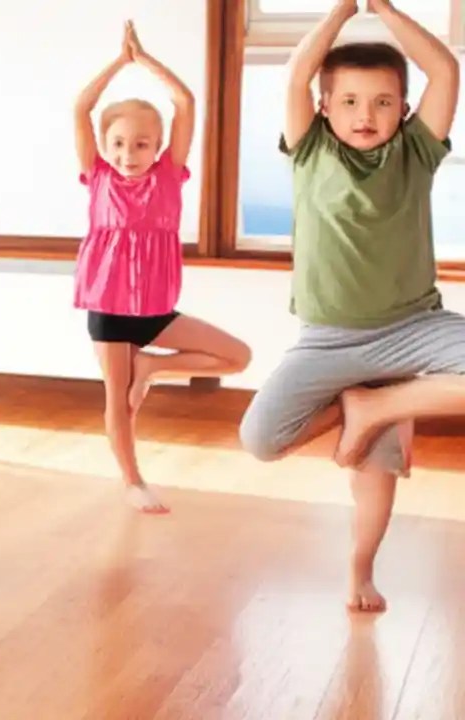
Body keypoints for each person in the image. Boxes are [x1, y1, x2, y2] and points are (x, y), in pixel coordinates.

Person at [239, 0, 463, 612]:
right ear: (323, 107)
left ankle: (360, 568)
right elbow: (294, 73)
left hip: (414, 327)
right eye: (349, 101)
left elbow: (444, 70)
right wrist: (341, 11)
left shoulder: (416, 153)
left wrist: (384, 9)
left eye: (384, 102)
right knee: (259, 440)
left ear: (405, 109)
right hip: (327, 339)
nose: (366, 115)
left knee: (376, 478)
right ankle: (356, 409)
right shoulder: (310, 151)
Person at [73, 21, 251, 514]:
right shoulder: (99, 176)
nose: (129, 154)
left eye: (142, 144)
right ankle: (132, 480)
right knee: (118, 401)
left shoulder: (169, 176)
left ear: (158, 146)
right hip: (108, 303)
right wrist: (117, 64)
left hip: (154, 305)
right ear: (105, 146)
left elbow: (186, 104)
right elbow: (81, 108)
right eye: (120, 144)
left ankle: (152, 367)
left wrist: (144, 61)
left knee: (237, 356)